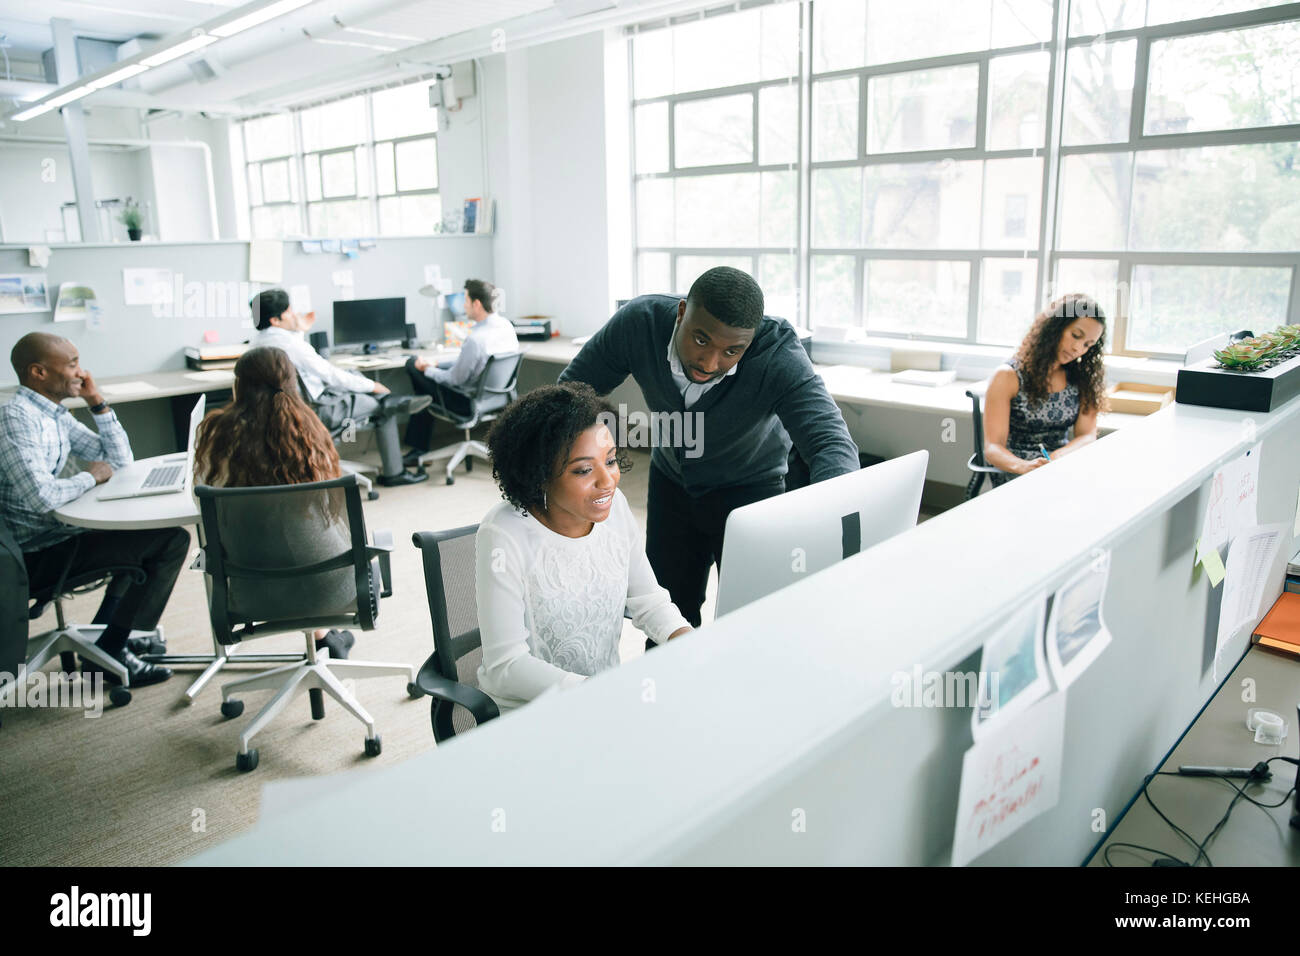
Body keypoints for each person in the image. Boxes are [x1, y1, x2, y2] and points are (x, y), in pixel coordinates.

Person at [559, 266, 860, 628]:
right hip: (671, 481)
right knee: (667, 610)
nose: (710, 362)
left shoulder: (777, 352)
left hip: (751, 491)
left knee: (750, 618)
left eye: (732, 351)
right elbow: (567, 397)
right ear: (682, 313)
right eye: (701, 340)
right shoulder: (640, 322)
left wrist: (836, 517)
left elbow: (830, 440)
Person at [476, 382, 691, 711]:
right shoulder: (503, 534)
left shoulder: (615, 507)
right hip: (531, 712)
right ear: (538, 474)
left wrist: (686, 637)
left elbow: (648, 600)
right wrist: (593, 691)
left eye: (611, 460)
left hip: (604, 699)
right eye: (584, 470)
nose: (607, 481)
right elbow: (506, 666)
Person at [0, 332, 183, 688]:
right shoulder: (16, 418)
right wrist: (90, 477)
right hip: (34, 554)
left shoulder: (53, 414)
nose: (81, 373)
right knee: (169, 542)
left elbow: (120, 460)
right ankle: (112, 648)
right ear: (38, 372)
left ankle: (111, 639)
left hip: (57, 533)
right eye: (72, 364)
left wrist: (96, 402)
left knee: (144, 531)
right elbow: (42, 498)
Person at [193, 346, 359, 658]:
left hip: (251, 587)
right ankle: (326, 637)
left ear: (239, 386)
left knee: (267, 541)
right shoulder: (311, 432)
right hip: (331, 583)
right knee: (305, 536)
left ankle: (325, 638)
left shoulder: (216, 434)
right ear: (292, 383)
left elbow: (200, 502)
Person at [249, 288, 429, 486]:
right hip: (317, 410)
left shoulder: (257, 342)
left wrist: (299, 329)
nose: (294, 314)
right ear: (275, 320)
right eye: (289, 311)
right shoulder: (291, 345)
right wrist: (373, 385)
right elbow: (329, 374)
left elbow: (299, 356)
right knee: (383, 407)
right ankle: (395, 473)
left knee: (352, 375)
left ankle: (392, 400)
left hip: (285, 412)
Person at [982, 293, 1109, 488]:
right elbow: (993, 447)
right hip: (1017, 470)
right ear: (1055, 327)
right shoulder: (1008, 376)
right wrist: (1024, 466)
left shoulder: (1082, 379)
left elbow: (1087, 435)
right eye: (1076, 336)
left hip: (1060, 465)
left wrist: (1057, 457)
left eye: (1087, 345)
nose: (1078, 348)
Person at [402, 279, 519, 464]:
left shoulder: (476, 340)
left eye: (466, 300)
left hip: (467, 403)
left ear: (476, 304)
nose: (464, 306)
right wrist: (437, 363)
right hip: (499, 397)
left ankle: (418, 449)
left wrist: (428, 369)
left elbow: (454, 379)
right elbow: (470, 363)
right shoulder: (506, 326)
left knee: (412, 365)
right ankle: (418, 447)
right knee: (424, 386)